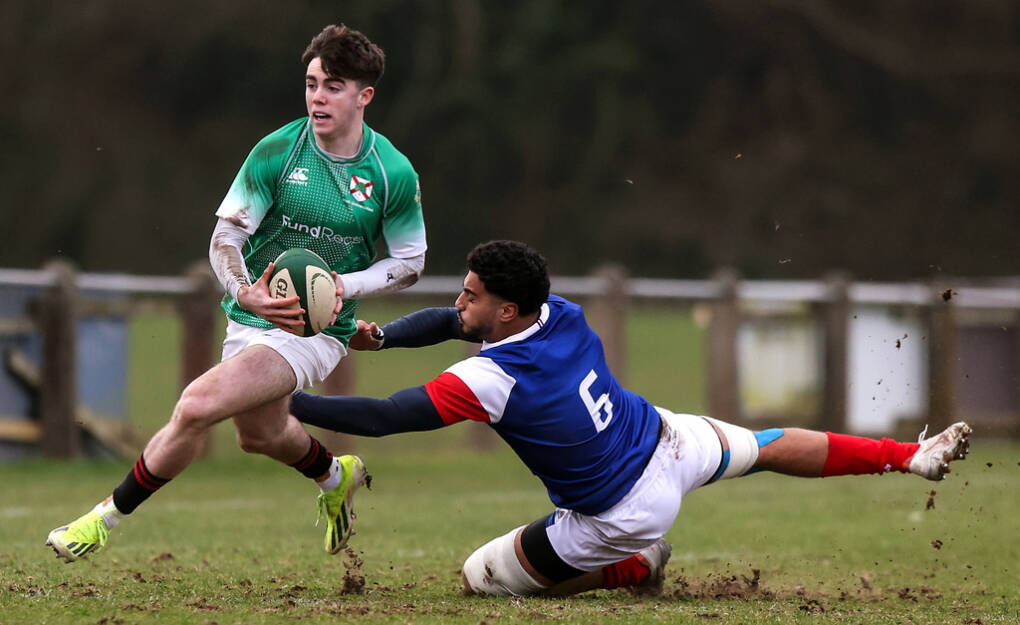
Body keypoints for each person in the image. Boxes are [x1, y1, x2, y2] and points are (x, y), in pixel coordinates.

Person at [287, 240, 972, 597]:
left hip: (621, 514)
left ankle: (635, 567)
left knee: (479, 579)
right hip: (667, 436)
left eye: (472, 297)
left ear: (504, 312)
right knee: (766, 444)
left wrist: (286, 396)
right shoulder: (560, 311)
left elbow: (381, 417)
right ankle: (904, 455)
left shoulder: (488, 379)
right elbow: (451, 323)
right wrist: (381, 339)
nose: (459, 305)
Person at [46, 24, 427, 563]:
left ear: (364, 95)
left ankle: (100, 520)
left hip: (313, 329)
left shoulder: (391, 172)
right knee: (261, 435)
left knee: (197, 406)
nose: (317, 96)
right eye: (312, 83)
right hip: (251, 313)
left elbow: (410, 261)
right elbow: (226, 237)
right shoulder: (278, 150)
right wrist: (245, 292)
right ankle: (332, 474)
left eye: (333, 86)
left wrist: (347, 285)